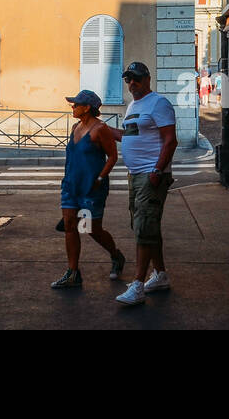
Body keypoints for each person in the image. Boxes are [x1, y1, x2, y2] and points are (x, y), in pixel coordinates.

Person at [112, 61, 177, 306]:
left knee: (144, 227)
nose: (132, 84)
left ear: (147, 79)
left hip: (151, 175)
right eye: (128, 79)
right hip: (136, 174)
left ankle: (138, 284)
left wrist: (158, 171)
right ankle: (160, 275)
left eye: (136, 79)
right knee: (147, 226)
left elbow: (170, 141)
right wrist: (103, 129)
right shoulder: (133, 106)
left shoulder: (159, 103)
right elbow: (127, 137)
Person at [50, 89, 125, 289]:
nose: (72, 107)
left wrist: (100, 178)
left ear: (87, 108)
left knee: (92, 229)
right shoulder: (75, 126)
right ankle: (73, 273)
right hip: (71, 185)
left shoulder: (100, 129)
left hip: (92, 187)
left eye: (76, 104)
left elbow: (113, 156)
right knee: (69, 225)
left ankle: (116, 256)